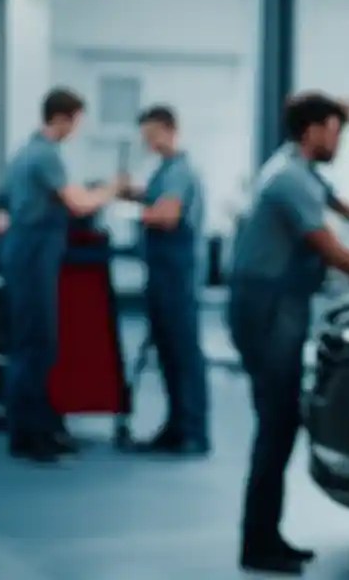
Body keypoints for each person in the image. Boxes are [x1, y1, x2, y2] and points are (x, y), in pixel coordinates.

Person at [229, 91, 349, 575]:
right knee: (276, 425)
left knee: (281, 422)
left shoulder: (300, 170)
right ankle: (257, 544)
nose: (340, 141)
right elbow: (335, 253)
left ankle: (267, 536)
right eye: (335, 131)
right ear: (312, 131)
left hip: (279, 306)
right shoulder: (289, 180)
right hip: (267, 310)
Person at [0, 87, 119, 464]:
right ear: (64, 117)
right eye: (78, 121)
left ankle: (40, 427)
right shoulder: (46, 155)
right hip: (34, 256)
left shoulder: (23, 152)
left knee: (31, 343)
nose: (77, 130)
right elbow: (78, 202)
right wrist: (112, 189)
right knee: (37, 345)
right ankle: (30, 436)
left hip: (24, 253)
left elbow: (1, 204)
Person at [117, 105, 210, 456]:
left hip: (177, 276)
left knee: (183, 354)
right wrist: (136, 195)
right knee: (169, 353)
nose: (148, 142)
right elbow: (158, 200)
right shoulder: (166, 172)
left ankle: (192, 431)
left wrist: (131, 211)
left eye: (152, 134)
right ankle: (176, 427)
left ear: (170, 129)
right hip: (163, 274)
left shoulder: (179, 172)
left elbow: (167, 215)